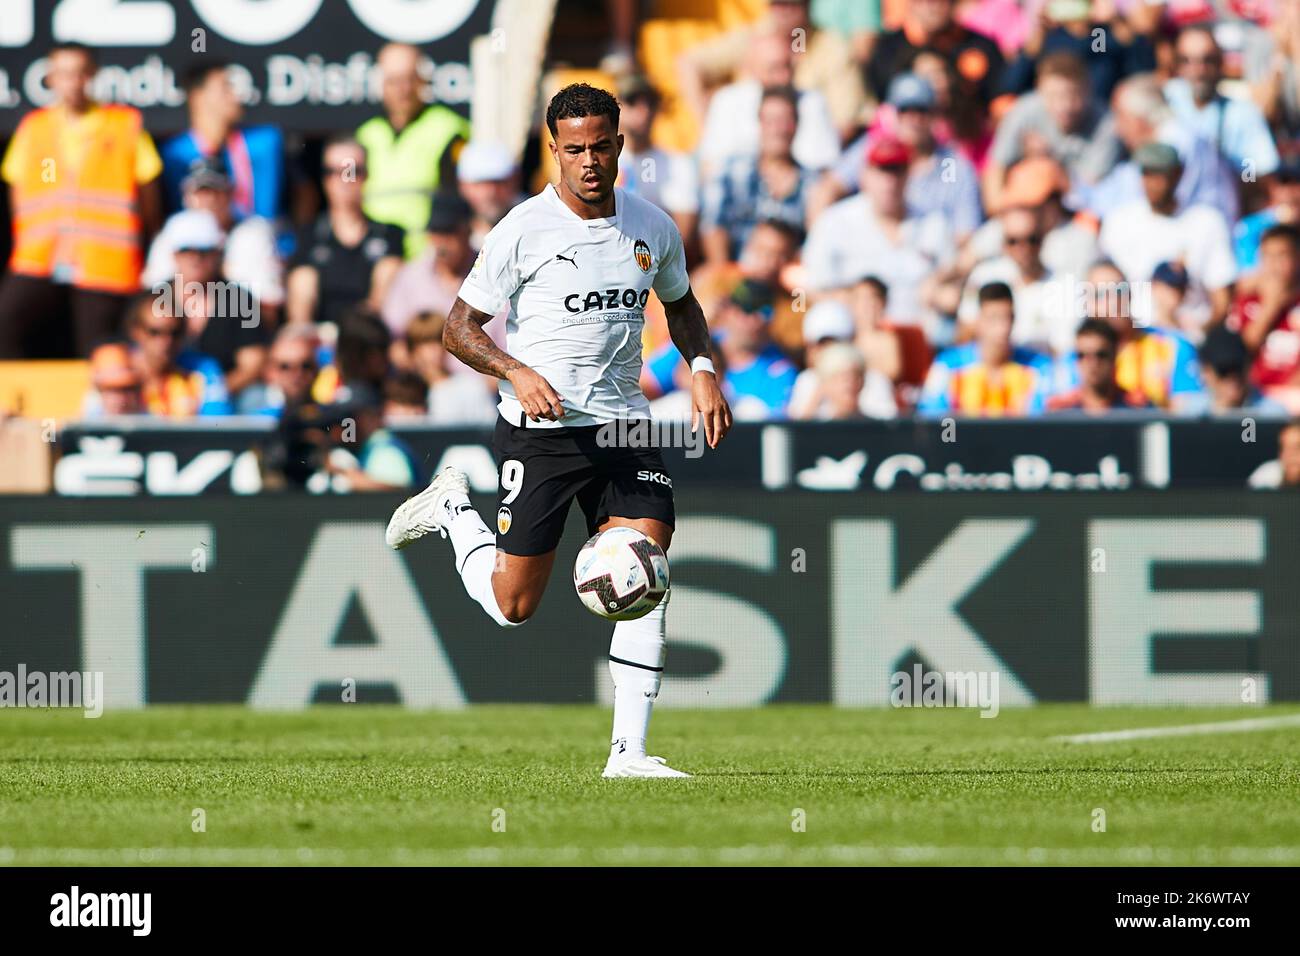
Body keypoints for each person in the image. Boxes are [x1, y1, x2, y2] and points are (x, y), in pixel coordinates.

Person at [385, 84, 732, 779]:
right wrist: (514, 371)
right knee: (513, 606)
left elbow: (682, 303)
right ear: (554, 151)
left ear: (619, 145)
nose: (589, 161)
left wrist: (700, 367)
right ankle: (454, 511)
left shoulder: (652, 226)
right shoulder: (522, 229)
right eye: (574, 149)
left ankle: (628, 753)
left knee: (644, 565)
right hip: (541, 433)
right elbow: (458, 329)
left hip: (623, 429)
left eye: (600, 146)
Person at [0, 42, 162, 358]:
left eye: (78, 73)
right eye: (62, 74)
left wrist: (146, 242)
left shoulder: (123, 124)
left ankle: (95, 403)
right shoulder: (36, 128)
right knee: (8, 319)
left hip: (103, 259)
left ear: (92, 76)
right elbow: (25, 187)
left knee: (97, 341)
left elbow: (149, 197)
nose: (71, 82)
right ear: (50, 78)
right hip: (41, 256)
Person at [803, 137, 955, 339]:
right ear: (864, 174)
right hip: (855, 335)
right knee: (826, 317)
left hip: (918, 332)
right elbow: (808, 288)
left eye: (897, 170)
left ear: (909, 174)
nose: (889, 181)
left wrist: (940, 289)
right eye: (881, 170)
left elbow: (952, 280)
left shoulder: (933, 223)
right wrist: (848, 299)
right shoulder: (835, 221)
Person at [1098, 142, 1237, 329]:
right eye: (1146, 173)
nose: (1152, 182)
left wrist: (1197, 336)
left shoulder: (1207, 221)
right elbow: (1102, 287)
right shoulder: (1118, 221)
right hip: (1131, 337)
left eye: (1160, 174)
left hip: (1187, 335)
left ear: (1179, 174)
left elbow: (1222, 300)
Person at [356, 43, 471, 259]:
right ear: (381, 85)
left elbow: (458, 197)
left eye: (410, 79)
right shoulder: (366, 135)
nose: (403, 89)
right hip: (375, 255)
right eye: (393, 81)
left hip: (427, 256)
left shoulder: (450, 129)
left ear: (422, 81)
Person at [144, 156, 284, 321]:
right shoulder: (171, 233)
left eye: (216, 191)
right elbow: (151, 299)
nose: (209, 200)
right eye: (200, 192)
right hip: (178, 330)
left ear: (231, 193)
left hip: (238, 326)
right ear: (186, 197)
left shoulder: (253, 233)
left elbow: (269, 304)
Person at [286, 136, 405, 327]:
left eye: (351, 171)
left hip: (368, 337)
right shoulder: (309, 234)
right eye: (333, 172)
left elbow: (380, 299)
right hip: (318, 340)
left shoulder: (389, 234)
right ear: (324, 179)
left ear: (366, 175)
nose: (343, 181)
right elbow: (301, 301)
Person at [984, 52, 1122, 210]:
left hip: (1078, 214)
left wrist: (1047, 163)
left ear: (1088, 90)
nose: (1064, 106)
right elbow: (996, 168)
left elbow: (1090, 194)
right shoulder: (1023, 112)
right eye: (1055, 96)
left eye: (1073, 95)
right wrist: (1000, 208)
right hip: (1021, 206)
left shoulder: (1106, 124)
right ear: (1040, 90)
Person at [153, 209, 267, 396]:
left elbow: (253, 364)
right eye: (186, 249)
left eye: (204, 251)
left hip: (226, 401)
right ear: (174, 254)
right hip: (162, 397)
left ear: (217, 253)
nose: (196, 258)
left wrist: (210, 394)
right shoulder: (153, 300)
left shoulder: (240, 300)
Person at [695, 31, 840, 175]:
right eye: (774, 69)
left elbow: (825, 168)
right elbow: (711, 166)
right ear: (753, 69)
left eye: (787, 67)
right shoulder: (727, 102)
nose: (783, 77)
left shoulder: (812, 102)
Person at [699, 86, 816, 266]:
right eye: (771, 120)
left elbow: (815, 241)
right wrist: (725, 274)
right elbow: (713, 225)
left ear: (797, 124)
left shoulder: (813, 184)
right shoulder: (731, 171)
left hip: (787, 280)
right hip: (736, 273)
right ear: (759, 123)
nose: (778, 129)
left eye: (785, 120)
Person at [160, 62, 284, 220]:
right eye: (226, 88)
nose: (235, 96)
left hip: (255, 237)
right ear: (197, 97)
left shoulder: (265, 143)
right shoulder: (175, 154)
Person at [958, 205, 1079, 356]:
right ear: (1003, 244)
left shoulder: (1063, 286)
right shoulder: (984, 275)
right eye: (1013, 241)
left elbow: (1064, 350)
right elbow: (966, 332)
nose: (1024, 248)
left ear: (1043, 238)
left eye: (1031, 240)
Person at [917, 281, 1052, 416]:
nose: (1003, 328)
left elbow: (1042, 423)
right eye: (993, 318)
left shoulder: (1038, 368)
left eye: (1008, 318)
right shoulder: (947, 366)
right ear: (978, 320)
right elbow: (932, 420)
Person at [1164, 25, 1279, 182]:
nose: (1198, 70)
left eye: (1207, 60)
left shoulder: (1242, 113)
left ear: (1220, 64)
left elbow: (1254, 164)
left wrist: (1246, 181)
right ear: (1176, 65)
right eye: (1186, 61)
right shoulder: (1165, 99)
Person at [613, 73, 699, 242]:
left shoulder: (678, 163)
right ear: (618, 108)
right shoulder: (597, 159)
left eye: (650, 103)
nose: (643, 110)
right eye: (632, 101)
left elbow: (683, 234)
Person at [1229, 224, 1300, 411]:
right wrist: (1271, 307)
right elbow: (1238, 353)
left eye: (1281, 255)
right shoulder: (1246, 302)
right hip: (1253, 401)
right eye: (1267, 256)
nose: (1273, 264)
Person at [125, 295, 231, 418]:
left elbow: (217, 423)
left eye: (175, 333)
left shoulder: (203, 369)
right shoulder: (114, 366)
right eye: (155, 332)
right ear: (136, 332)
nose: (166, 341)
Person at [404, 311, 498, 425]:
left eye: (439, 340)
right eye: (425, 342)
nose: (435, 349)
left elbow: (487, 430)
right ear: (412, 350)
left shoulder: (471, 386)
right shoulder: (401, 390)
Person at [1045, 318, 1151, 413]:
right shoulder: (1059, 411)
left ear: (1115, 356)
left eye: (1101, 355)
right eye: (1082, 355)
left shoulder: (1138, 408)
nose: (1092, 363)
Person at [1184, 325, 1289, 416]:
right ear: (1206, 372)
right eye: (1223, 371)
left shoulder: (1272, 415)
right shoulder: (1192, 414)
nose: (1233, 379)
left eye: (1238, 369)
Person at [237, 324, 322, 417]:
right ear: (268, 371)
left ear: (316, 370)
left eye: (306, 366)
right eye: (285, 367)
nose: (298, 373)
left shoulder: (327, 403)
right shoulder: (251, 405)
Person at [456, 141, 526, 253]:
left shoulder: (536, 222)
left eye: (499, 183)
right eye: (480, 183)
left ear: (516, 180)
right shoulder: (452, 232)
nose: (490, 193)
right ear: (463, 185)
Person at [82, 342, 144, 418]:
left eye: (128, 389)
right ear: (98, 392)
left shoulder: (154, 425)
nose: (121, 399)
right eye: (112, 389)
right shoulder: (82, 427)